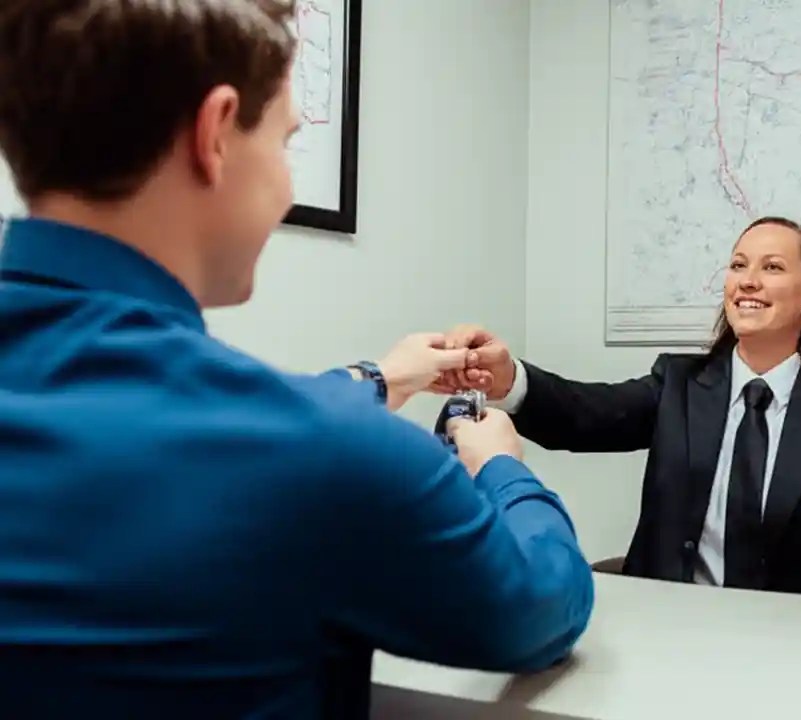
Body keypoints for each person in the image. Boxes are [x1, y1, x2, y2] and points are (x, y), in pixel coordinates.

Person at [0, 2, 592, 718]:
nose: (284, 186)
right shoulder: (329, 454)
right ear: (214, 134)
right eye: (284, 144)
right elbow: (536, 608)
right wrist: (504, 467)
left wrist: (378, 380)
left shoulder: (304, 434)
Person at [437, 216, 801, 600]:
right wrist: (507, 378)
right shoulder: (679, 383)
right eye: (739, 265)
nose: (748, 281)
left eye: (772, 267)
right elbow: (585, 413)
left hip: (793, 644)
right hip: (666, 627)